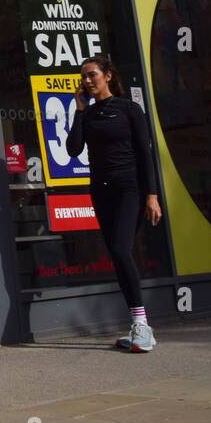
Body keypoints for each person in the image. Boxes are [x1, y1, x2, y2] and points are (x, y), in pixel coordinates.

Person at [66, 55, 163, 352]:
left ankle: (142, 325)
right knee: (118, 256)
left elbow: (145, 154)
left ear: (108, 75)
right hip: (101, 191)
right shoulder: (89, 114)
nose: (87, 81)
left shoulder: (129, 109)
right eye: (83, 76)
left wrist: (152, 195)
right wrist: (80, 111)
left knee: (121, 249)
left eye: (92, 74)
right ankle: (137, 326)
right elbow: (73, 149)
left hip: (129, 188)